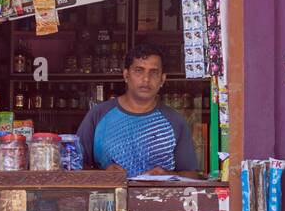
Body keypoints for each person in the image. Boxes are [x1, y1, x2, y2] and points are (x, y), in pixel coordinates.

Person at [75, 43, 200, 177]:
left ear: (162, 79)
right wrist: (103, 176)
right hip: (107, 197)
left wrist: (168, 176)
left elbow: (192, 175)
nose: (146, 79)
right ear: (126, 75)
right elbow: (74, 166)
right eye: (139, 71)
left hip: (158, 197)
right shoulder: (99, 114)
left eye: (154, 72)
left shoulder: (175, 121)